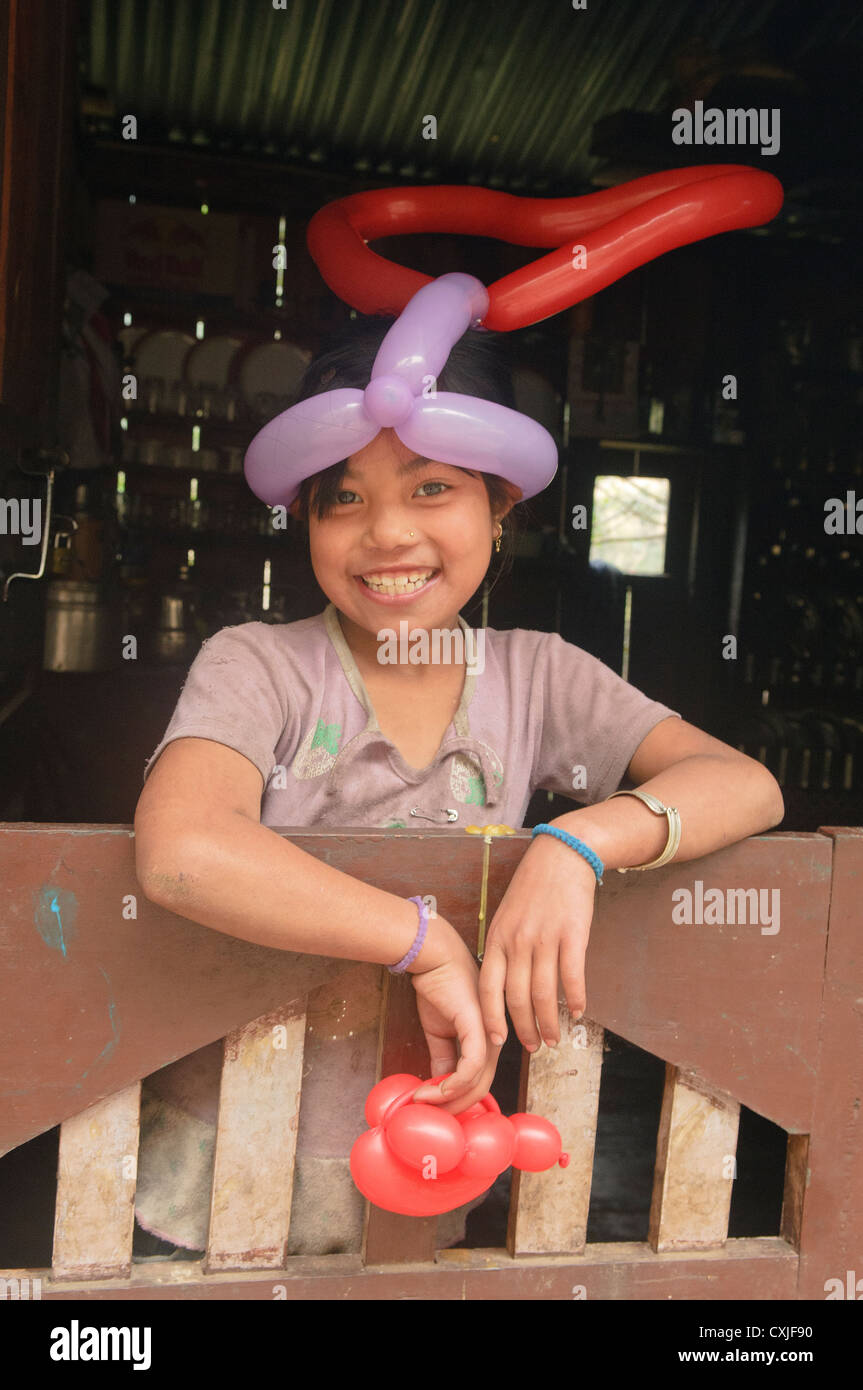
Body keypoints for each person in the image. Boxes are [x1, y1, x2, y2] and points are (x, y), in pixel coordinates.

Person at [133, 302, 784, 1258]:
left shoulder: (536, 676)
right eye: (342, 497)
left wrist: (578, 844)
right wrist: (424, 945)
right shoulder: (258, 667)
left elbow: (745, 785)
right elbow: (182, 851)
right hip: (213, 1192)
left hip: (434, 1185)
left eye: (431, 487)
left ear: (500, 504)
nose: (385, 534)